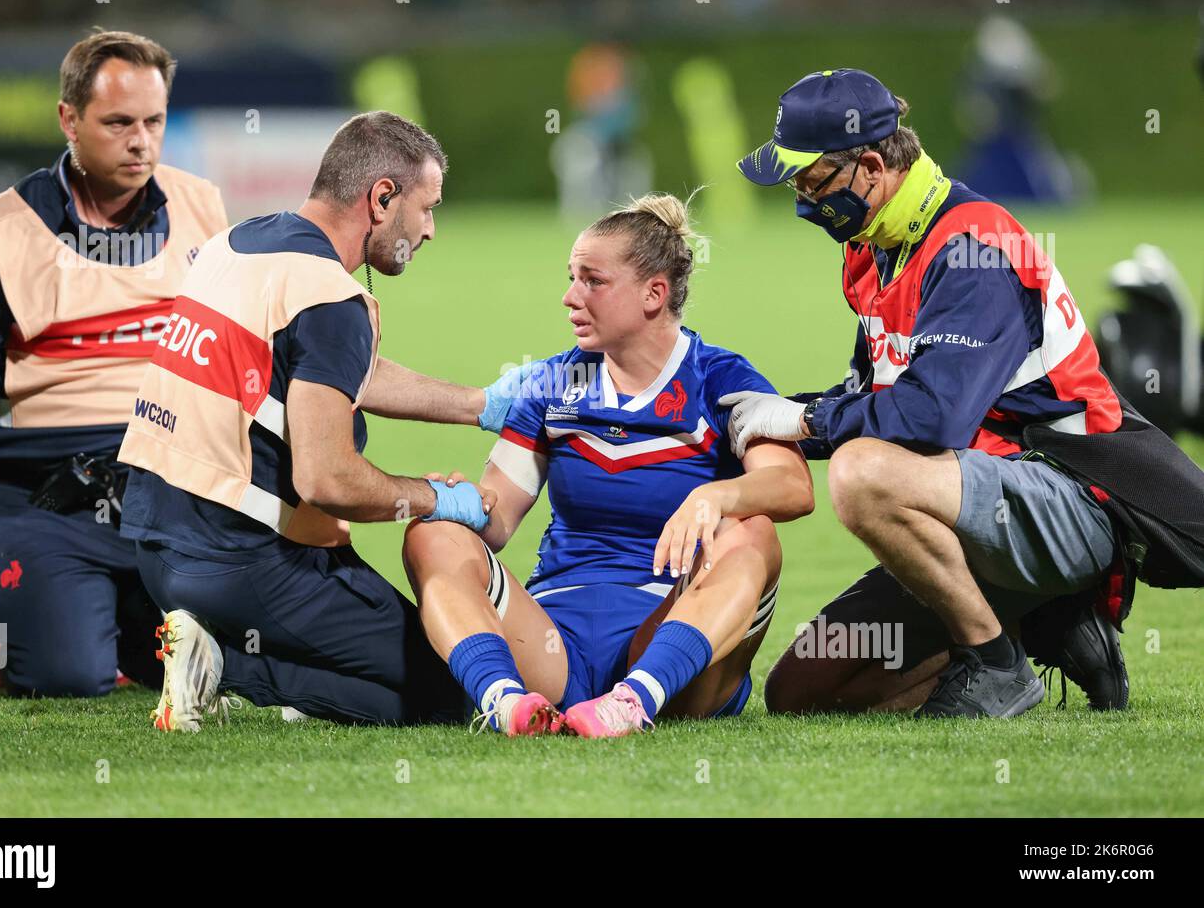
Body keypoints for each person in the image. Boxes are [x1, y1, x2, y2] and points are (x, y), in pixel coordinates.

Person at [728, 68, 1130, 718]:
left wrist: (804, 419)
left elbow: (929, 418)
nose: (801, 199)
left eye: (809, 179)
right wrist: (760, 416)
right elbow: (876, 396)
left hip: (1066, 495)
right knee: (804, 692)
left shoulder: (975, 246)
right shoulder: (872, 248)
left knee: (862, 473)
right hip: (969, 502)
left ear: (869, 165)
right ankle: (1040, 621)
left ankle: (1002, 661)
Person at [118, 111, 526, 730]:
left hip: (155, 547)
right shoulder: (329, 299)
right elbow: (327, 480)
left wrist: (480, 406)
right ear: (382, 198)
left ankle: (207, 644)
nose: (432, 230)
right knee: (450, 692)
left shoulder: (239, 244)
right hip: (243, 564)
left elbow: (330, 371)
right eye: (427, 207)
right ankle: (225, 664)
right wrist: (435, 499)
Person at [402, 193, 814, 738]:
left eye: (592, 281)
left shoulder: (720, 377)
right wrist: (454, 507)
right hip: (554, 643)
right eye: (572, 278)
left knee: (754, 531)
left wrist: (715, 497)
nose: (570, 297)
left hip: (671, 642)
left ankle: (631, 703)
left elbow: (793, 485)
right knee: (431, 536)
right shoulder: (552, 382)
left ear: (653, 293)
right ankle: (504, 703)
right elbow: (495, 519)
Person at [0, 29, 229, 696]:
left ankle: (100, 620)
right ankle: (23, 635)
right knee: (69, 675)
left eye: (154, 121)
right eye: (118, 123)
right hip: (45, 499)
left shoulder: (203, 209)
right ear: (68, 120)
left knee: (233, 662)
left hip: (169, 498)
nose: (141, 140)